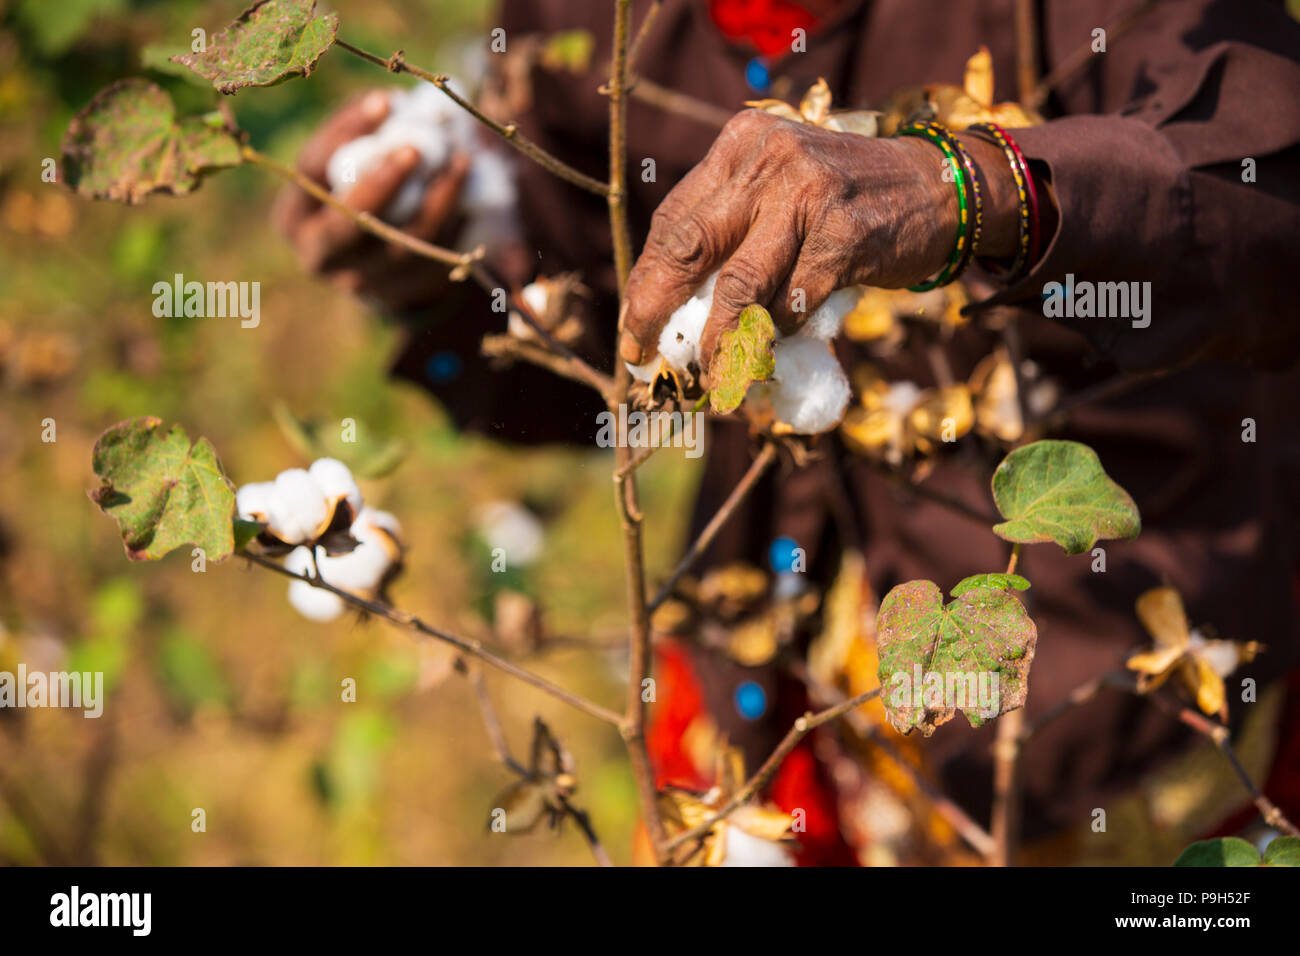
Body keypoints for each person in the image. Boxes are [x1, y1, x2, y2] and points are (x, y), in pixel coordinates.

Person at [277, 0, 1300, 863]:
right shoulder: (600, 20)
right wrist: (449, 277)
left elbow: (1266, 206)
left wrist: (972, 192)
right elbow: (612, 342)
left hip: (1114, 738)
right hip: (759, 712)